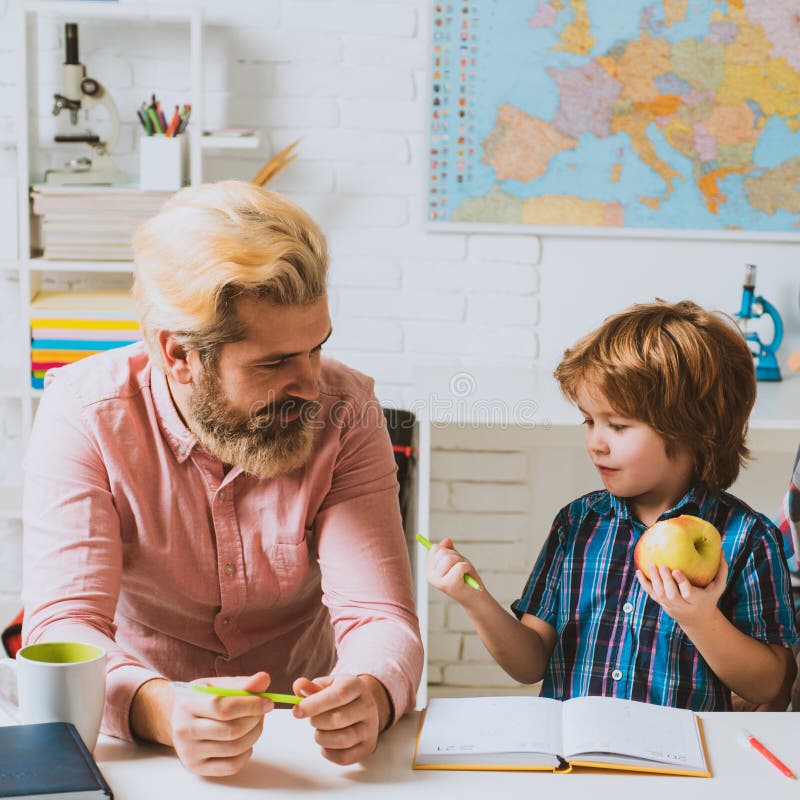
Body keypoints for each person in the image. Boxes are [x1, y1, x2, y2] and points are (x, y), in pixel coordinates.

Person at [21, 181, 423, 776]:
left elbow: (379, 616)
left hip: (305, 751)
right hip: (138, 751)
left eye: (316, 348)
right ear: (180, 355)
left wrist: (370, 690)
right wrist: (162, 710)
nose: (311, 384)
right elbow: (66, 626)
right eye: (275, 362)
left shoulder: (346, 409)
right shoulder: (83, 413)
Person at [425, 300, 797, 711]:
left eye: (618, 426)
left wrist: (699, 619)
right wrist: (474, 599)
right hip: (572, 764)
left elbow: (771, 688)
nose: (595, 442)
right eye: (589, 421)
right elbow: (529, 663)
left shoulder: (747, 538)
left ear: (695, 428)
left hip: (679, 768)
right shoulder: (577, 524)